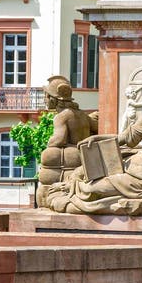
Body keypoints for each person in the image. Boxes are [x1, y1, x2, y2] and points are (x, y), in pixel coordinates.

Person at [48, 80, 142, 214]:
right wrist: (97, 138)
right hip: (137, 167)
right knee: (94, 187)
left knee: (97, 188)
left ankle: (73, 188)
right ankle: (70, 188)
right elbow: (124, 138)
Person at [37, 75, 97, 207]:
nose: (45, 99)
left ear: (54, 99)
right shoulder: (82, 114)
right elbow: (95, 127)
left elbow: (59, 139)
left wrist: (49, 142)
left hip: (73, 159)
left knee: (48, 155)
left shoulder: (61, 116)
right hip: (84, 157)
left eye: (46, 96)